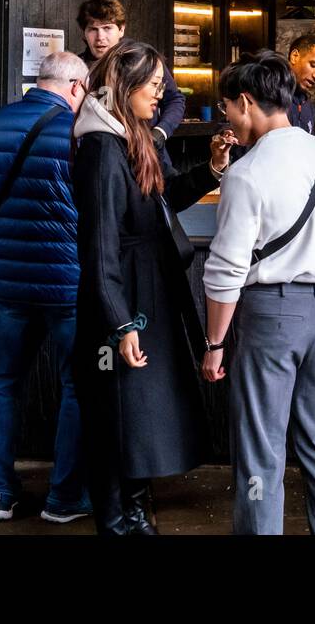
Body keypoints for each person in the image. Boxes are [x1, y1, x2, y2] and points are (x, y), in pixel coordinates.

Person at [72, 40, 233, 535]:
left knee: (138, 412)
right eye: (155, 85)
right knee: (117, 412)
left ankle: (137, 513)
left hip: (149, 289)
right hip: (122, 295)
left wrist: (211, 169)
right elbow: (99, 247)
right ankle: (118, 523)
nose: (161, 95)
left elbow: (167, 195)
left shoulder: (137, 134)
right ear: (125, 86)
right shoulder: (101, 146)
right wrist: (119, 322)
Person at [200, 52, 315, 535]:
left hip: (273, 313)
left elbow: (226, 269)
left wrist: (214, 345)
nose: (228, 116)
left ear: (246, 102)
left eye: (228, 106)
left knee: (261, 445)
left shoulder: (246, 174)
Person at [0, 51, 91, 523]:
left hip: (6, 282)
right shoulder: (74, 133)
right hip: (66, 284)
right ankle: (63, 499)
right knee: (76, 386)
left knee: (1, 383)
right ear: (77, 87)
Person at [77, 0, 185, 171]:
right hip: (103, 159)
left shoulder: (143, 60)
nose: (100, 37)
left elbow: (175, 99)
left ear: (121, 29)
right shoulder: (78, 68)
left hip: (149, 157)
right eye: (93, 29)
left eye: (107, 28)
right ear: (84, 33)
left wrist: (160, 131)